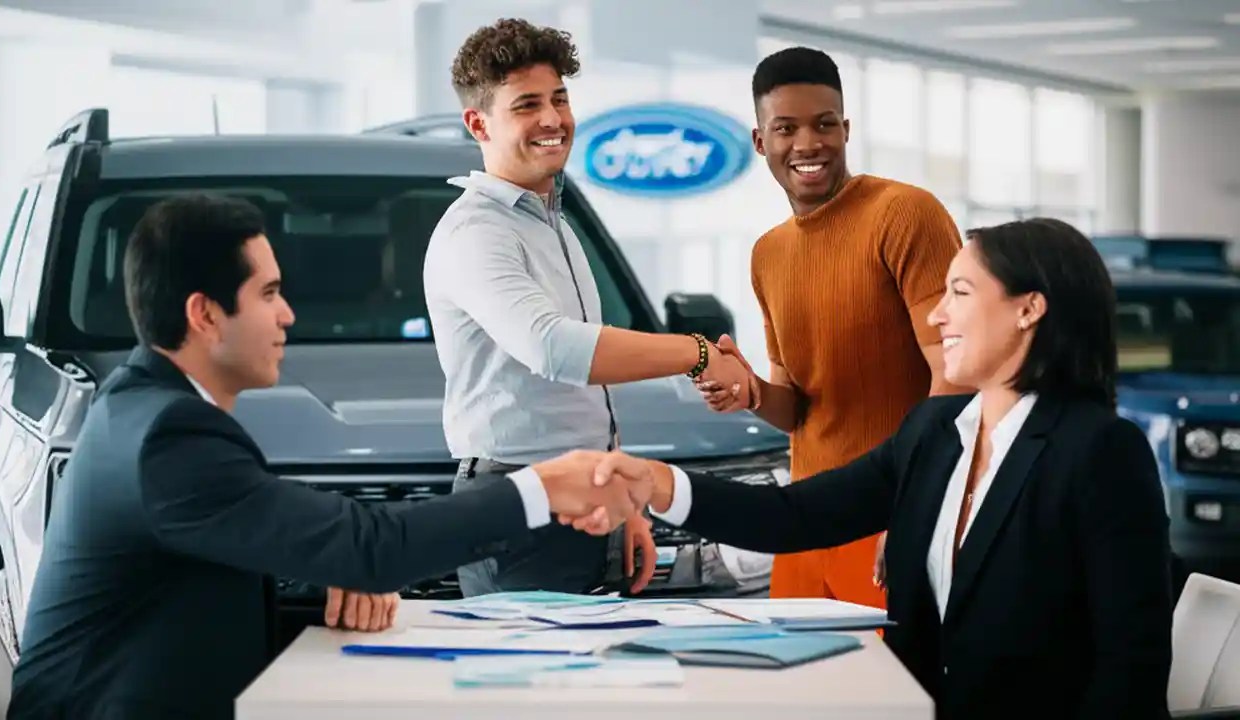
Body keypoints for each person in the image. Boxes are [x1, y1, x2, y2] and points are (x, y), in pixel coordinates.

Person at [7, 194, 645, 720]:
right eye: (268, 294)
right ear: (204, 315)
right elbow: (375, 545)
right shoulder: (168, 438)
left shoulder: (140, 404)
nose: (287, 315)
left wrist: (327, 573)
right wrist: (541, 487)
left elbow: (230, 562)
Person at [577, 218, 1174, 719]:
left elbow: (1133, 664)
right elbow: (793, 517)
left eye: (960, 293)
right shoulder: (935, 433)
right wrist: (657, 481)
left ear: (1029, 310)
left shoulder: (1100, 452)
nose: (938, 316)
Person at [424, 17, 750, 597]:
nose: (552, 119)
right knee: (530, 687)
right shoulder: (476, 231)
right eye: (527, 105)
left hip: (584, 498)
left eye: (559, 98)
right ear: (479, 122)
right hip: (517, 506)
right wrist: (697, 353)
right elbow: (555, 348)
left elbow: (579, 397)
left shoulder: (555, 223)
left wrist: (623, 501)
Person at [696, 46, 965, 608]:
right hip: (803, 520)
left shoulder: (905, 214)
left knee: (889, 692)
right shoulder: (768, 253)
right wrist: (750, 392)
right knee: (800, 691)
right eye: (786, 128)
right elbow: (795, 409)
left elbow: (957, 378)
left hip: (887, 517)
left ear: (845, 129)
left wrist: (917, 507)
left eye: (823, 125)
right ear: (759, 140)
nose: (807, 145)